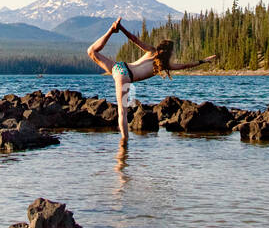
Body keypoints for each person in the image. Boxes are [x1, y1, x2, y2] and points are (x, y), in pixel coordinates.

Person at [86, 17, 218, 143]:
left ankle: (111, 30)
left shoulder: (151, 51)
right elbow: (185, 65)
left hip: (120, 66)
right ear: (168, 52)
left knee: (91, 51)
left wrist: (121, 28)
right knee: (122, 112)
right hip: (125, 76)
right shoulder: (165, 65)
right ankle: (124, 142)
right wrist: (203, 61)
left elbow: (134, 39)